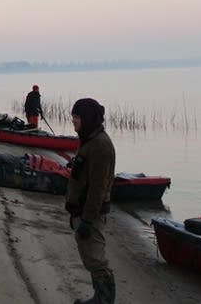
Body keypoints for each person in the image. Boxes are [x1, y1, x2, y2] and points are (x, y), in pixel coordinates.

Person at [65, 98, 116, 304]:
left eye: (77, 117)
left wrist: (87, 220)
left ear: (87, 118)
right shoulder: (89, 140)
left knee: (95, 259)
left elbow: (98, 188)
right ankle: (99, 298)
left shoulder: (100, 145)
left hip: (91, 214)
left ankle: (104, 300)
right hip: (82, 210)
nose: (73, 121)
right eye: (73, 117)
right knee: (90, 257)